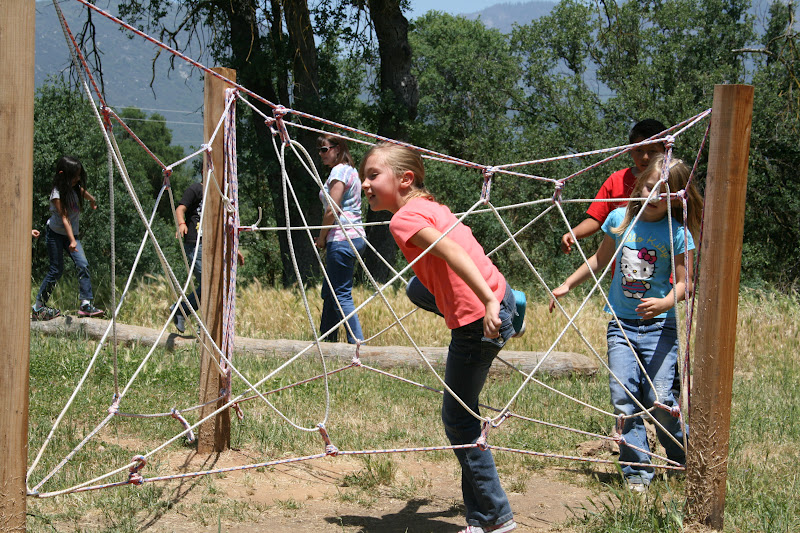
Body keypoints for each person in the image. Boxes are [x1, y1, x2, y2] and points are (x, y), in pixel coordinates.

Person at [360, 142, 521, 533]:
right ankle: (481, 517)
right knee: (417, 288)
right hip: (506, 298)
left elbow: (451, 251)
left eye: (372, 176)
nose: (365, 184)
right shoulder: (431, 207)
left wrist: (485, 303)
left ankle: (496, 517)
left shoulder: (402, 221)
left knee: (459, 419)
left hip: (479, 321)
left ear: (405, 179)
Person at [549, 154, 703, 492]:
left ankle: (683, 457)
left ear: (676, 198)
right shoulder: (619, 219)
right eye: (650, 187)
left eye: (663, 193)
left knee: (661, 399)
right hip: (621, 325)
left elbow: (686, 283)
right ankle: (636, 471)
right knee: (624, 399)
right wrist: (567, 285)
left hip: (661, 328)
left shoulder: (677, 233)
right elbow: (600, 260)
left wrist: (664, 301)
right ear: (640, 183)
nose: (654, 197)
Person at [561, 119, 667, 255]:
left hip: (664, 269)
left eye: (652, 151)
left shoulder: (671, 181)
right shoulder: (617, 180)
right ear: (630, 151)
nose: (645, 157)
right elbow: (597, 219)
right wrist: (573, 233)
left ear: (665, 151)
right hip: (624, 270)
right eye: (639, 150)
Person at [32, 156, 104, 321]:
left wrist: (92, 200)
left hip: (71, 235)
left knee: (83, 264)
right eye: (75, 176)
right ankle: (38, 306)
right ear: (63, 175)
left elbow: (82, 192)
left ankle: (85, 304)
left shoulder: (74, 187)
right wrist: (72, 240)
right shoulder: (57, 193)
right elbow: (65, 218)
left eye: (79, 176)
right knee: (56, 270)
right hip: (56, 234)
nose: (78, 179)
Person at [171, 181, 244, 334]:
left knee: (215, 283)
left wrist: (233, 248)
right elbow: (180, 208)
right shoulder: (196, 189)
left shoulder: (221, 194)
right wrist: (181, 223)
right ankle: (188, 315)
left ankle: (195, 320)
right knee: (209, 283)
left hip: (213, 245)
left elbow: (224, 225)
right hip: (195, 243)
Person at [315, 134, 366, 344]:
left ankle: (357, 343)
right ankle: (328, 340)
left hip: (342, 237)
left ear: (338, 149)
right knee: (330, 291)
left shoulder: (338, 171)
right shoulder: (352, 171)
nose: (321, 154)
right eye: (319, 150)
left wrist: (321, 238)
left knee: (341, 294)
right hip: (355, 236)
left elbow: (331, 210)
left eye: (325, 149)